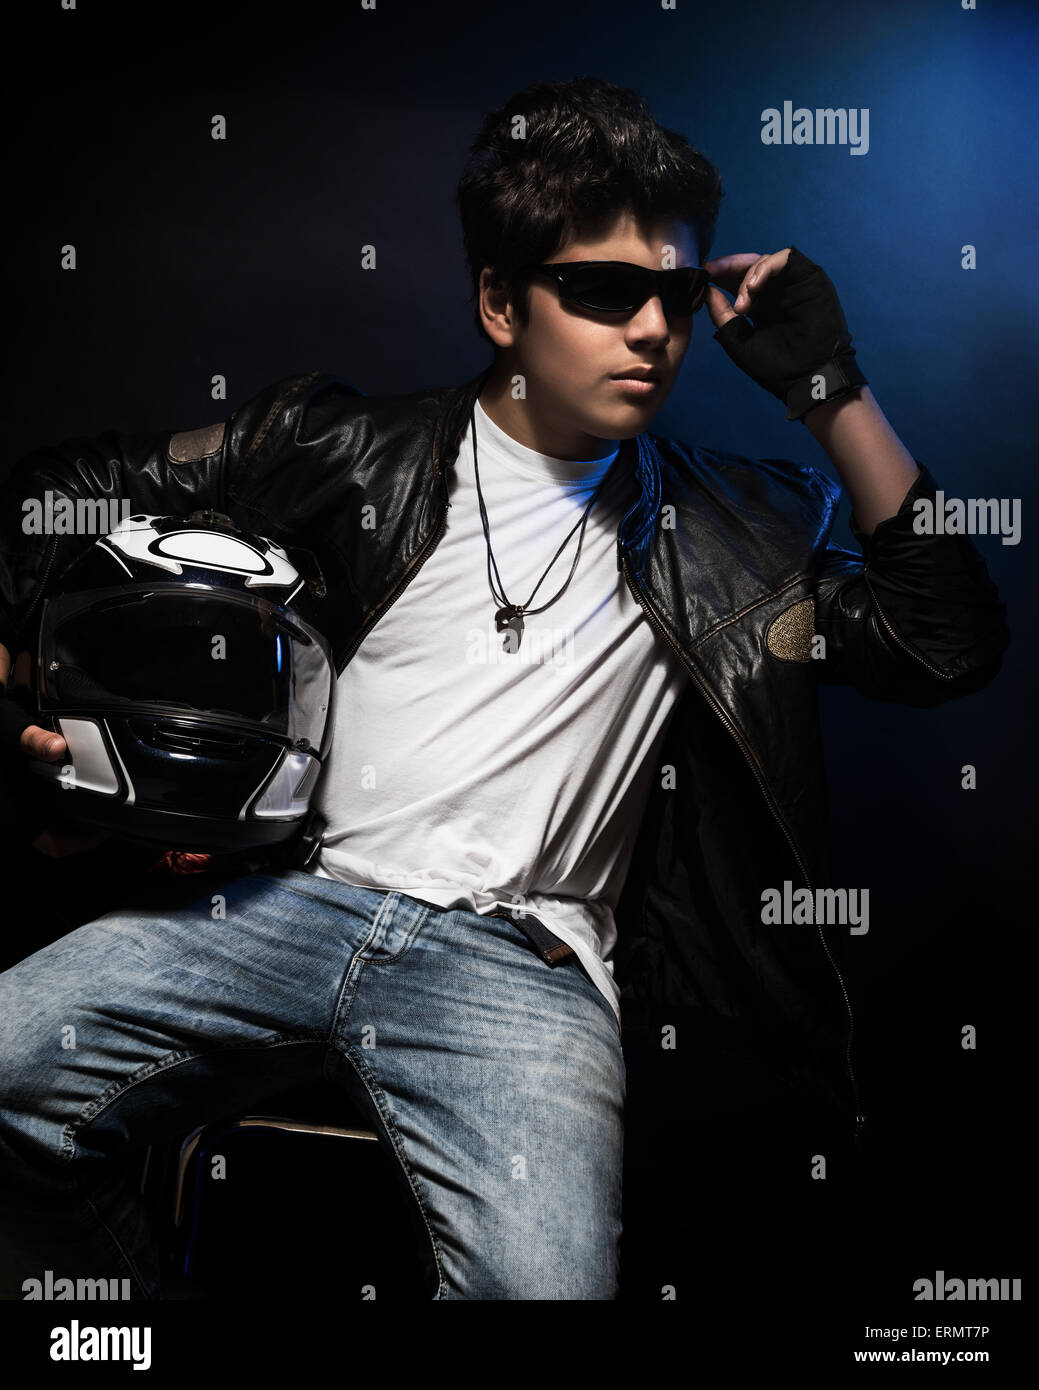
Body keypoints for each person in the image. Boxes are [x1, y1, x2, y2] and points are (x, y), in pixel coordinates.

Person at [0, 77, 1009, 1300]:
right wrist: (25, 698)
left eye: (676, 295)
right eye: (600, 291)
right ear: (498, 302)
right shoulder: (337, 448)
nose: (651, 330)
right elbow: (55, 505)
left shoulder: (738, 528)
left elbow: (946, 640)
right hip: (284, 908)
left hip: (517, 965)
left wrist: (829, 389)